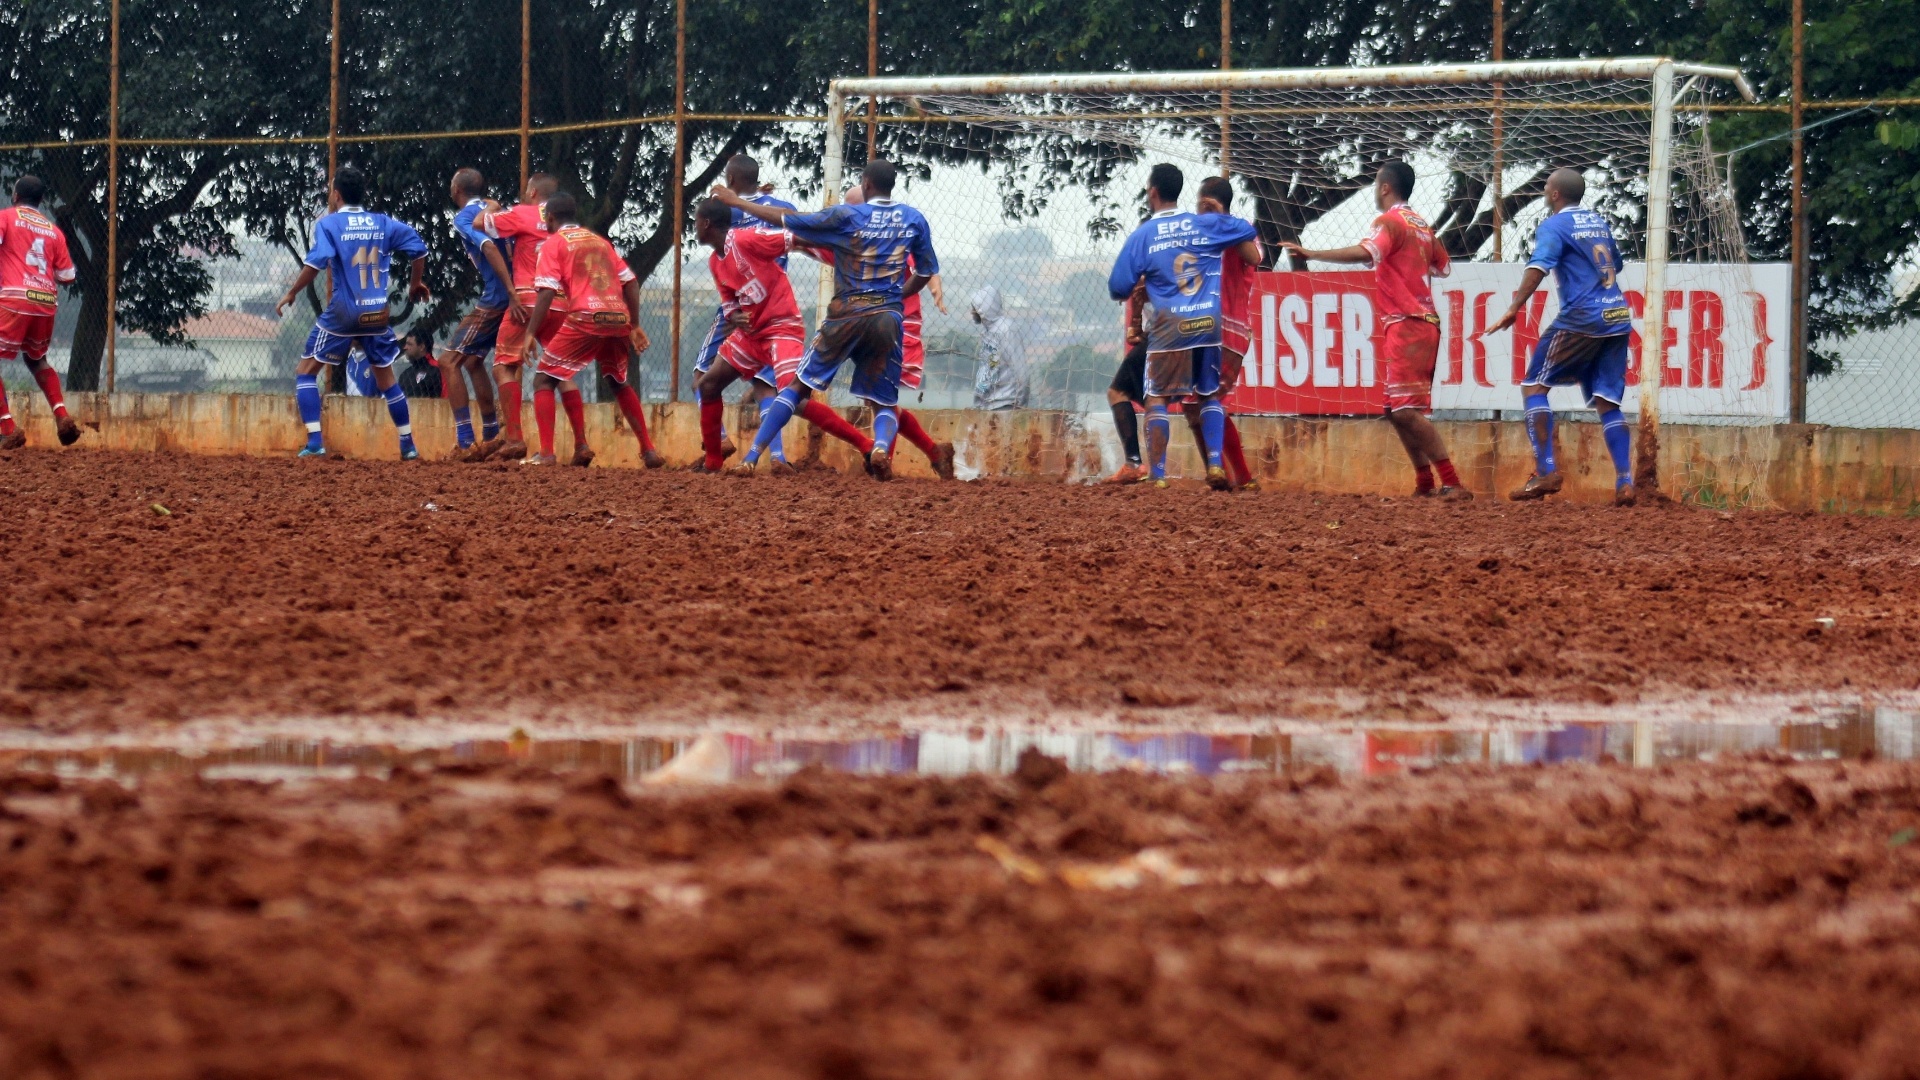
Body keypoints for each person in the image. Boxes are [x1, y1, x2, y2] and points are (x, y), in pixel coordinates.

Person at [709, 158, 940, 482]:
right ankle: (880, 448)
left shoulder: (848, 216)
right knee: (883, 400)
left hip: (847, 313)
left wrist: (735, 202)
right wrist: (896, 297)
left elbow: (791, 220)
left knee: (795, 388)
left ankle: (751, 457)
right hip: (887, 316)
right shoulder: (914, 219)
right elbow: (926, 271)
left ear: (866, 185)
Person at [1282, 160, 1470, 500]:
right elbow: (1443, 268)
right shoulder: (1423, 225)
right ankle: (1426, 483)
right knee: (1394, 410)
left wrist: (1313, 252)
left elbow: (1365, 251)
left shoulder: (1390, 221)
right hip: (1420, 321)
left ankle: (1452, 481)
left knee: (1404, 410)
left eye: (1375, 186)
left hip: (1407, 322)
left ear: (1385, 187)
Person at [690, 198, 876, 473]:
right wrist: (734, 316)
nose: (694, 227)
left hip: (782, 328)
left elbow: (793, 238)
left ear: (706, 224)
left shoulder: (746, 239)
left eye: (695, 221)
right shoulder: (715, 262)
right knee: (707, 385)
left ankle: (866, 445)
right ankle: (713, 463)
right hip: (752, 335)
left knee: (795, 400)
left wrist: (839, 246)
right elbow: (729, 302)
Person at [1491, 167, 1637, 505]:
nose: (1544, 192)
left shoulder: (1554, 225)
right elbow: (1614, 263)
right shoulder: (1598, 222)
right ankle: (1625, 481)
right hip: (1617, 315)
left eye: (1546, 188)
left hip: (1582, 317)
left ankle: (1546, 470)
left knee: (1534, 386)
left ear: (1555, 194)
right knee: (1607, 402)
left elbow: (1539, 266)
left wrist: (1515, 306)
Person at [1106, 163, 1257, 490]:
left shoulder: (1147, 233)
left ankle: (1156, 473)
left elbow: (1120, 286)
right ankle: (1217, 467)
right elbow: (1248, 238)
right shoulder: (1202, 227)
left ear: (1153, 192)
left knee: (1157, 397)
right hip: (1208, 325)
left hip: (1174, 328)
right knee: (1204, 400)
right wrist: (1218, 219)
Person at [477, 175, 633, 466]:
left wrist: (492, 206)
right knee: (560, 373)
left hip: (529, 300)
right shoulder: (577, 234)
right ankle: (581, 443)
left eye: (526, 191)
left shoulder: (521, 212)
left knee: (503, 368)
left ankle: (515, 439)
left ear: (533, 192)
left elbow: (480, 225)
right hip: (564, 304)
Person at [275, 166, 429, 459]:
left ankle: (315, 442)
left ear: (336, 195)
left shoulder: (329, 224)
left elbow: (317, 262)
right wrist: (415, 284)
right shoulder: (382, 223)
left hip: (344, 313)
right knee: (387, 382)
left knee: (305, 373)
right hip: (376, 314)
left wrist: (292, 291)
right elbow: (419, 250)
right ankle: (408, 445)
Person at [521, 192, 655, 467]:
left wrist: (530, 333)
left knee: (544, 379)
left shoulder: (553, 244)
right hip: (618, 317)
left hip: (585, 316)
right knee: (618, 381)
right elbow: (630, 282)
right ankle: (649, 451)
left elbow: (546, 291)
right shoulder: (601, 242)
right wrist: (635, 324)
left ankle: (546, 453)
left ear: (550, 218)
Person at [690, 154, 798, 470]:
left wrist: (725, 199)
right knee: (768, 384)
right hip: (776, 305)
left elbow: (719, 235)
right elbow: (793, 223)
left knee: (701, 375)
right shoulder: (780, 209)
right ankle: (777, 457)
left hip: (740, 305)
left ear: (731, 180)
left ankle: (719, 440)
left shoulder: (729, 210)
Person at [840, 185, 955, 478]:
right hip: (869, 321)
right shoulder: (853, 235)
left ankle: (884, 462)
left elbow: (925, 265)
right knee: (876, 398)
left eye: (854, 208)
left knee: (882, 397)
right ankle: (932, 451)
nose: (850, 214)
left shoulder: (896, 230)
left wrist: (935, 287)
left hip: (900, 321)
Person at [0, 175, 81, 450]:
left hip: (14, 298)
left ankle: (7, 427)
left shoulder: (7, 217)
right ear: (41, 200)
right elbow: (68, 275)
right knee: (36, 359)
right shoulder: (53, 230)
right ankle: (62, 416)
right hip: (45, 301)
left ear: (15, 196)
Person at [1192, 175, 1260, 490]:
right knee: (1196, 403)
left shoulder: (1238, 228)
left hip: (1227, 332)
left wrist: (1223, 219)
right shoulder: (1196, 233)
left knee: (1208, 400)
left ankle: (1233, 475)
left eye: (1206, 204)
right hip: (1198, 328)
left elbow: (1254, 257)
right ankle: (1227, 475)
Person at [438, 168, 507, 455]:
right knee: (473, 361)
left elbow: (488, 246)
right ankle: (491, 432)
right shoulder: (498, 210)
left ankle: (465, 440)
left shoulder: (464, 217)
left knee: (448, 362)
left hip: (498, 297)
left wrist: (510, 291)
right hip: (517, 294)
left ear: (456, 190)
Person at [1102, 281, 1149, 483]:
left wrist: (1135, 322)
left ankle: (1134, 463)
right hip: (1199, 327)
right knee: (1202, 400)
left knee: (1118, 392)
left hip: (1163, 331)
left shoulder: (1149, 251)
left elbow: (1124, 285)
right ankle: (1217, 466)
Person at [969, 285, 1030, 410]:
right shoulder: (988, 331)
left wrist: (1021, 404)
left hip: (1006, 403)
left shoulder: (1007, 329)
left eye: (975, 308)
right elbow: (988, 369)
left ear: (984, 308)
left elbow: (1020, 368)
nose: (972, 312)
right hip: (987, 405)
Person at [399, 328, 443, 397]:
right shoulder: (405, 374)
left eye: (409, 344)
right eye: (406, 344)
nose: (405, 347)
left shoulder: (438, 369)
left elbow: (445, 398)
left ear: (422, 347)